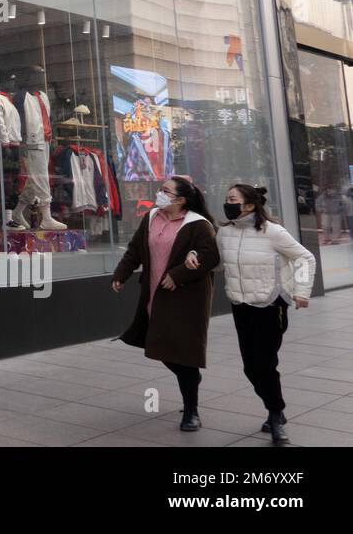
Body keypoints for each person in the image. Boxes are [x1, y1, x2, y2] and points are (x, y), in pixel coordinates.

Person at [185, 184, 315, 444]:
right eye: (226, 199)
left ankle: (275, 415)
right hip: (240, 305)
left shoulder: (273, 232)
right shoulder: (224, 233)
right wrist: (194, 254)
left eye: (233, 199)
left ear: (249, 205)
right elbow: (218, 262)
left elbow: (305, 258)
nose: (227, 203)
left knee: (265, 364)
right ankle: (274, 405)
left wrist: (301, 291)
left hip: (270, 305)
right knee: (250, 367)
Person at [111, 175, 220, 431]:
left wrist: (178, 275)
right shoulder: (152, 217)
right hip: (154, 295)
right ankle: (190, 378)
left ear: (181, 200)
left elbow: (210, 256)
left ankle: (191, 411)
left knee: (182, 352)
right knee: (164, 348)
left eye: (165, 191)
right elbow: (135, 250)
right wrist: (121, 274)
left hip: (186, 299)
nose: (160, 194)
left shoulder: (197, 224)